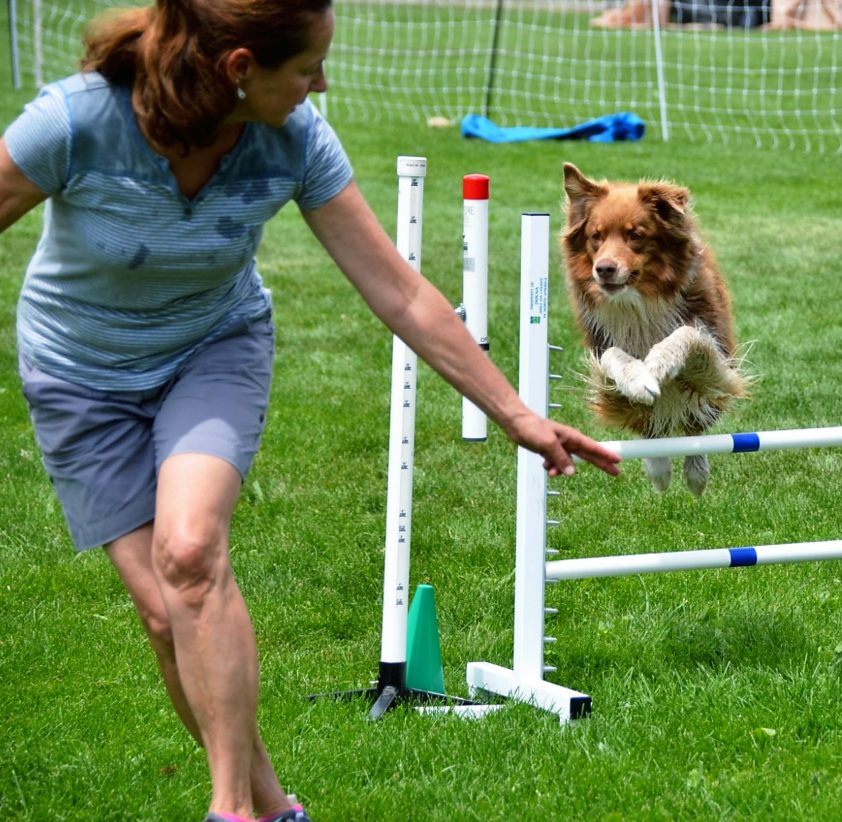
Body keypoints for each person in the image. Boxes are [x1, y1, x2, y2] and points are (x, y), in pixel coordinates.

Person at [0, 1, 621, 820]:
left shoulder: (294, 137)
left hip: (210, 351)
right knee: (163, 613)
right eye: (306, 69)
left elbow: (398, 289)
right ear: (239, 69)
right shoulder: (77, 122)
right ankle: (274, 808)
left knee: (189, 556)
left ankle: (229, 811)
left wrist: (515, 414)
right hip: (80, 375)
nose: (321, 84)